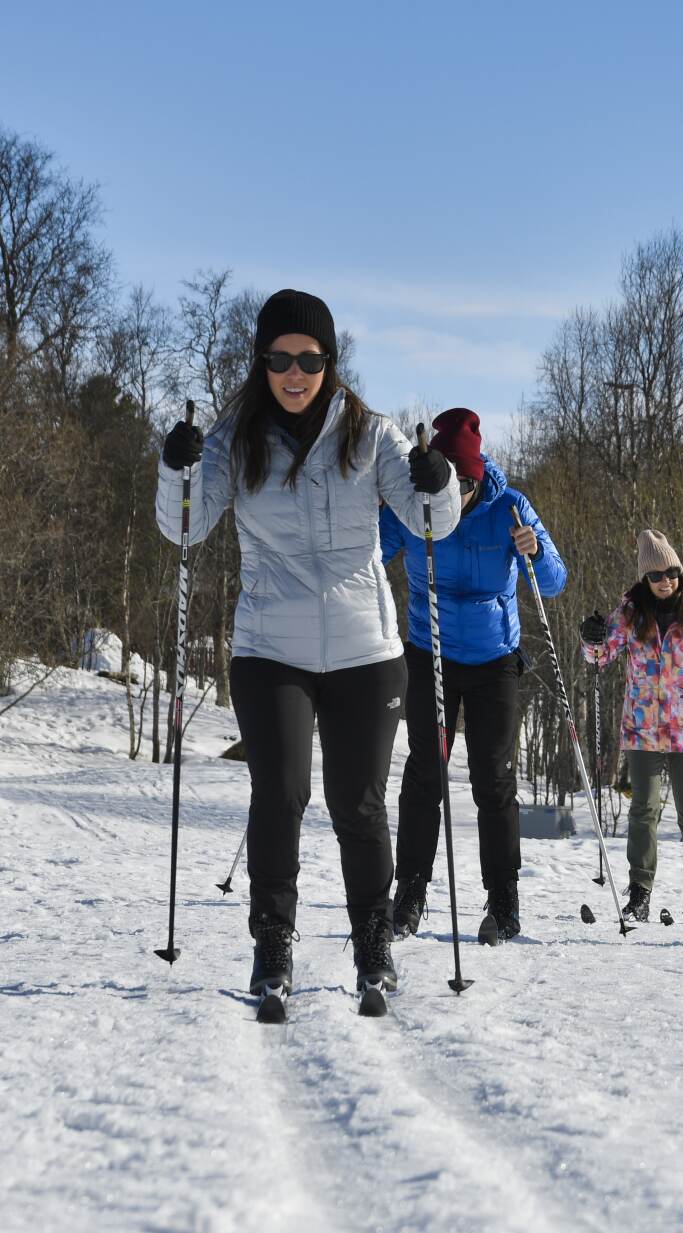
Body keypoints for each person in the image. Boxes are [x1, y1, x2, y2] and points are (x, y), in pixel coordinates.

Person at [157, 289, 461, 1006]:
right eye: (280, 359)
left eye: (310, 359)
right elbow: (184, 527)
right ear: (261, 362)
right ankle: (272, 942)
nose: (295, 373)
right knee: (281, 791)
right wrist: (177, 470)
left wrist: (439, 482)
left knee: (358, 803)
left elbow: (431, 522)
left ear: (330, 362)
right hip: (271, 645)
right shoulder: (234, 438)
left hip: (364, 650)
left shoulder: (371, 434)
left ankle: (374, 941)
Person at [380, 409, 566, 944]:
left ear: (479, 478)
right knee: (425, 773)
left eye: (465, 484)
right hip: (430, 652)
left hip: (493, 661)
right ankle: (410, 893)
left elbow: (554, 581)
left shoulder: (509, 506)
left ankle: (503, 899)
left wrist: (534, 550)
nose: (456, 495)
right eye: (449, 483)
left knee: (493, 778)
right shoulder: (416, 506)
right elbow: (367, 553)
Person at [579, 531, 683, 923]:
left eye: (671, 572)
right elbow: (600, 656)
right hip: (643, 727)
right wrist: (591, 639)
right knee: (643, 809)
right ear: (645, 578)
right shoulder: (630, 613)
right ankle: (639, 892)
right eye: (656, 575)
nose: (665, 581)